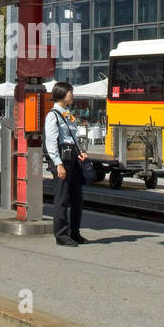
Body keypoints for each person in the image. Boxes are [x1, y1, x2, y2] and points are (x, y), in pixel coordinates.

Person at [44, 81, 90, 247]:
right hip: (62, 160)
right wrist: (58, 164)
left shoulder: (68, 113)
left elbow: (72, 137)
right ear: (63, 94)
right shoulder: (53, 115)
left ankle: (74, 232)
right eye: (70, 92)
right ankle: (61, 235)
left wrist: (80, 152)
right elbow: (51, 142)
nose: (72, 95)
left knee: (77, 198)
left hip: (74, 158)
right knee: (62, 199)